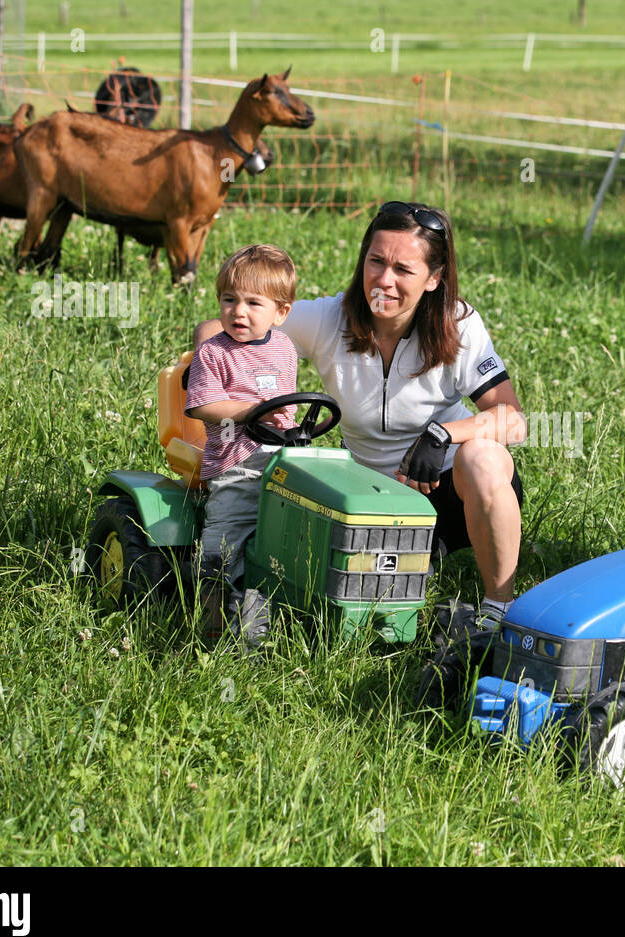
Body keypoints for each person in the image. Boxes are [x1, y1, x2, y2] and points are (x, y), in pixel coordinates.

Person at [194, 202, 526, 631]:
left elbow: (512, 419)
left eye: (403, 270)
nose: (384, 281)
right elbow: (217, 329)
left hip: (448, 488)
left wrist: (444, 433)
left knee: (483, 456)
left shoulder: (458, 325)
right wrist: (218, 361)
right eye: (376, 262)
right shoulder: (330, 319)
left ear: (434, 278)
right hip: (371, 498)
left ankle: (497, 608)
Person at [185, 243, 299, 650]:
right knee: (222, 544)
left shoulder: (284, 348)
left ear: (280, 313)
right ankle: (212, 624)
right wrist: (254, 411)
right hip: (236, 464)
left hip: (283, 458)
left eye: (253, 303)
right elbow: (202, 406)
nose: (238, 311)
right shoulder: (213, 353)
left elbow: (287, 406)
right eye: (229, 300)